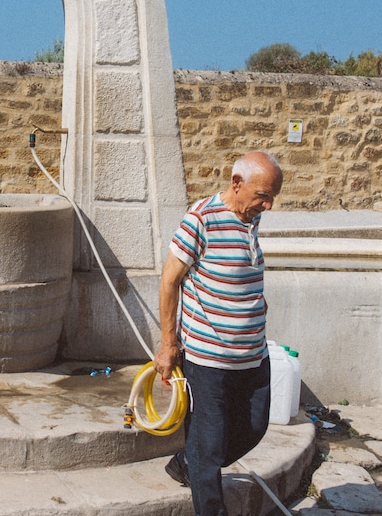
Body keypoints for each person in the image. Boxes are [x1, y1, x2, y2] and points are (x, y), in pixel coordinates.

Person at [155, 152, 284, 516]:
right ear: (236, 183)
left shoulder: (249, 218)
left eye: (272, 196)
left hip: (253, 354)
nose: (268, 204)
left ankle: (188, 463)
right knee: (209, 446)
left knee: (255, 427)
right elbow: (168, 282)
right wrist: (168, 345)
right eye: (262, 195)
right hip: (208, 359)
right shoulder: (201, 220)